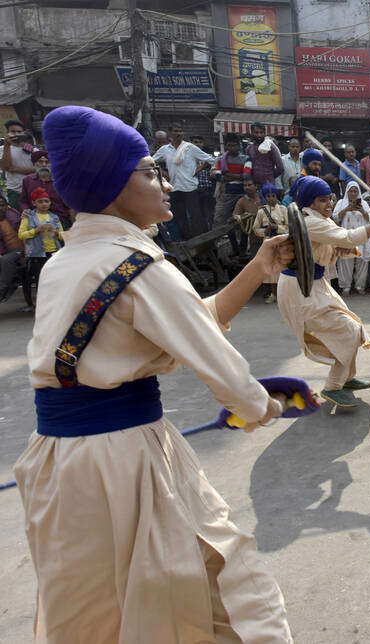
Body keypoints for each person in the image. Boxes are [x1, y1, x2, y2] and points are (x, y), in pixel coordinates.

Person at [15, 105, 296, 641]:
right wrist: (261, 406)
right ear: (114, 185)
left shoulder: (66, 262)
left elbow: (188, 324)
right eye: (148, 170)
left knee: (96, 608)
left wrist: (258, 269)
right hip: (126, 460)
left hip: (59, 459)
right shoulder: (138, 266)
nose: (164, 182)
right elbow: (214, 357)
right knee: (228, 590)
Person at [277, 175, 370, 409]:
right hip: (301, 289)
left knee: (352, 326)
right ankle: (332, 387)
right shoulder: (311, 222)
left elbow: (335, 245)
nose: (329, 204)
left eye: (330, 199)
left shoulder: (318, 219)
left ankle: (346, 379)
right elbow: (349, 238)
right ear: (310, 202)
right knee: (348, 331)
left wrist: (342, 247)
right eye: (322, 200)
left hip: (315, 284)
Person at [152, 122, 214, 239]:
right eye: (176, 131)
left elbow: (210, 160)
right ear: (170, 133)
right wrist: (164, 173)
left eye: (180, 131)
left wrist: (198, 170)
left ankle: (200, 242)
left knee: (196, 217)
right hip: (175, 188)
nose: (178, 133)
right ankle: (186, 241)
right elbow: (152, 162)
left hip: (190, 187)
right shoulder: (165, 149)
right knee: (180, 218)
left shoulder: (190, 148)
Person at [18, 187, 65, 313]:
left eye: (46, 201)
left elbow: (63, 235)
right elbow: (21, 235)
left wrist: (56, 233)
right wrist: (36, 230)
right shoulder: (28, 216)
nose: (44, 204)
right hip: (37, 254)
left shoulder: (54, 217)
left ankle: (56, 306)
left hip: (54, 253)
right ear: (34, 203)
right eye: (40, 201)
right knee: (41, 281)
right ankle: (43, 309)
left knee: (55, 280)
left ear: (50, 202)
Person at [333, 181, 370, 295]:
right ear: (347, 192)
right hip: (346, 235)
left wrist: (362, 210)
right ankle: (345, 286)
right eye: (351, 191)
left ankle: (360, 286)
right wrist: (347, 209)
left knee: (361, 261)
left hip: (361, 235)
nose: (353, 193)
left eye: (355, 191)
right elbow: (335, 217)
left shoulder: (364, 203)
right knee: (345, 261)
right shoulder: (341, 202)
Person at [253, 183, 288, 303]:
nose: (271, 198)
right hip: (268, 242)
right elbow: (255, 229)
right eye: (268, 196)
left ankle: (283, 294)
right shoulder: (261, 212)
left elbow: (289, 228)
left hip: (282, 242)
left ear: (276, 196)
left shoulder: (284, 210)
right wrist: (265, 230)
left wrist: (277, 228)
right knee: (271, 268)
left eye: (273, 195)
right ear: (265, 197)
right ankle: (273, 293)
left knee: (282, 267)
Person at [20, 150, 72, 229]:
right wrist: (26, 210)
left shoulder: (60, 180)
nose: (44, 165)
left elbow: (69, 204)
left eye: (47, 162)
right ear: (34, 164)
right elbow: (23, 201)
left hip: (60, 220)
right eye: (40, 162)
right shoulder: (27, 180)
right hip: (36, 221)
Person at [2, 120, 36, 206]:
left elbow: (39, 169)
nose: (16, 134)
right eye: (13, 131)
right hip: (15, 191)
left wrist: (14, 169)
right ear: (7, 133)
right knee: (17, 217)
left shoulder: (31, 149)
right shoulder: (2, 149)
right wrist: (7, 145)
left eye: (19, 132)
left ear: (23, 133)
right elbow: (5, 167)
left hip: (34, 189)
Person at [0, 193, 24, 302]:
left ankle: (2, 291)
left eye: (2, 205)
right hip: (5, 252)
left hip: (19, 250)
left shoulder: (15, 217)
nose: (0, 208)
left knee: (5, 260)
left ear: (7, 206)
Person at [230, 179, 261, 258]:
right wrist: (245, 217)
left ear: (256, 186)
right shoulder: (242, 201)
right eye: (245, 186)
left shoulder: (264, 197)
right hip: (253, 234)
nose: (247, 187)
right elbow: (235, 216)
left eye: (249, 185)